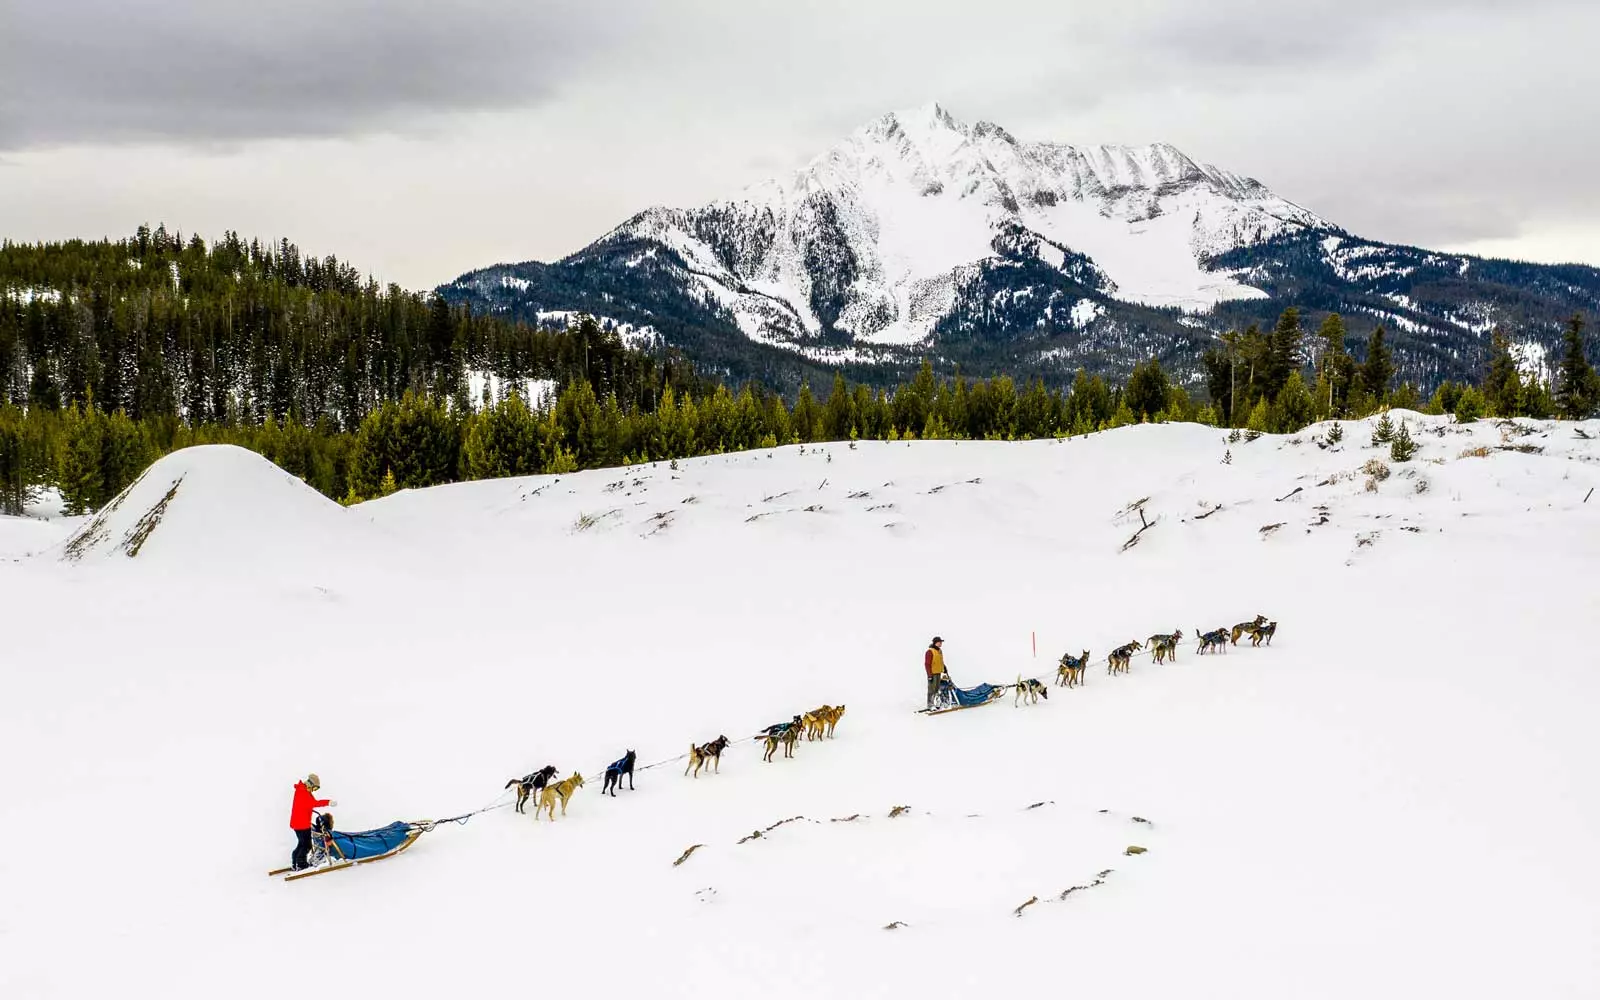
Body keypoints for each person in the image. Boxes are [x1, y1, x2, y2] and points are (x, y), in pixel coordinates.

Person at [289, 773, 336, 871]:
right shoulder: (303, 793)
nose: (314, 791)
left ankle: (295, 861)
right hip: (301, 825)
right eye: (314, 788)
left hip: (299, 823)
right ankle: (301, 864)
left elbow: (309, 803)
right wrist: (328, 802)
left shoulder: (303, 790)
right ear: (310, 784)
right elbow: (314, 803)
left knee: (301, 844)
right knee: (306, 845)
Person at [924, 636, 947, 709]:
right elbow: (927, 664)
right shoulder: (930, 651)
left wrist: (944, 668)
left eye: (941, 642)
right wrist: (929, 675)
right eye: (940, 642)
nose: (941, 644)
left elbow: (940, 661)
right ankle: (930, 704)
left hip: (938, 672)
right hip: (932, 673)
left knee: (937, 689)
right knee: (931, 689)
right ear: (935, 643)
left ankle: (937, 702)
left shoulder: (939, 651)